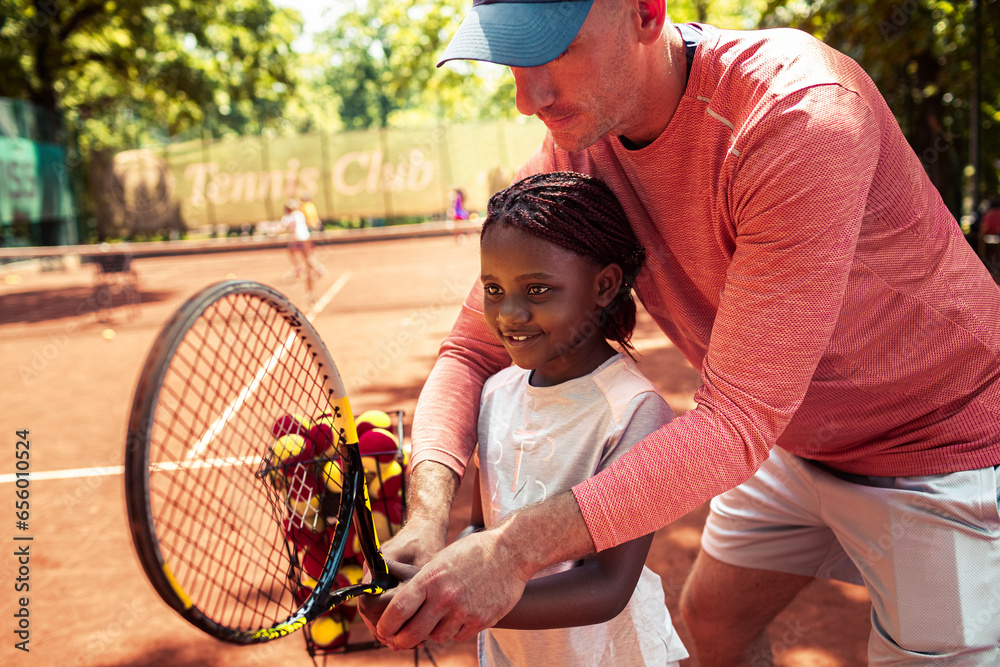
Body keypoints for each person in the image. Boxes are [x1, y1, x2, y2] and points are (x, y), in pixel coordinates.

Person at [361, 1, 1000, 664]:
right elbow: (470, 350)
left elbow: (736, 421)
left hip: (939, 437)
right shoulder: (576, 148)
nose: (529, 97)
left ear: (645, 11)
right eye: (513, 61)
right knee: (715, 621)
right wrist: (426, 516)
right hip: (793, 434)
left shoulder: (796, 114)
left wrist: (512, 549)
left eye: (554, 50)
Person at [464, 171, 688, 665]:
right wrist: (436, 572)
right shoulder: (496, 392)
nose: (510, 314)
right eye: (494, 289)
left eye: (538, 290)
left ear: (604, 285)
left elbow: (608, 586)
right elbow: (479, 529)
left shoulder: (633, 412)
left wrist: (463, 604)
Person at [281, 198, 326, 301]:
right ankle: (315, 269)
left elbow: (282, 226)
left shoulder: (289, 217)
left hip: (300, 240)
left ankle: (302, 269)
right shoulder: (299, 214)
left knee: (304, 259)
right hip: (304, 239)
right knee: (303, 257)